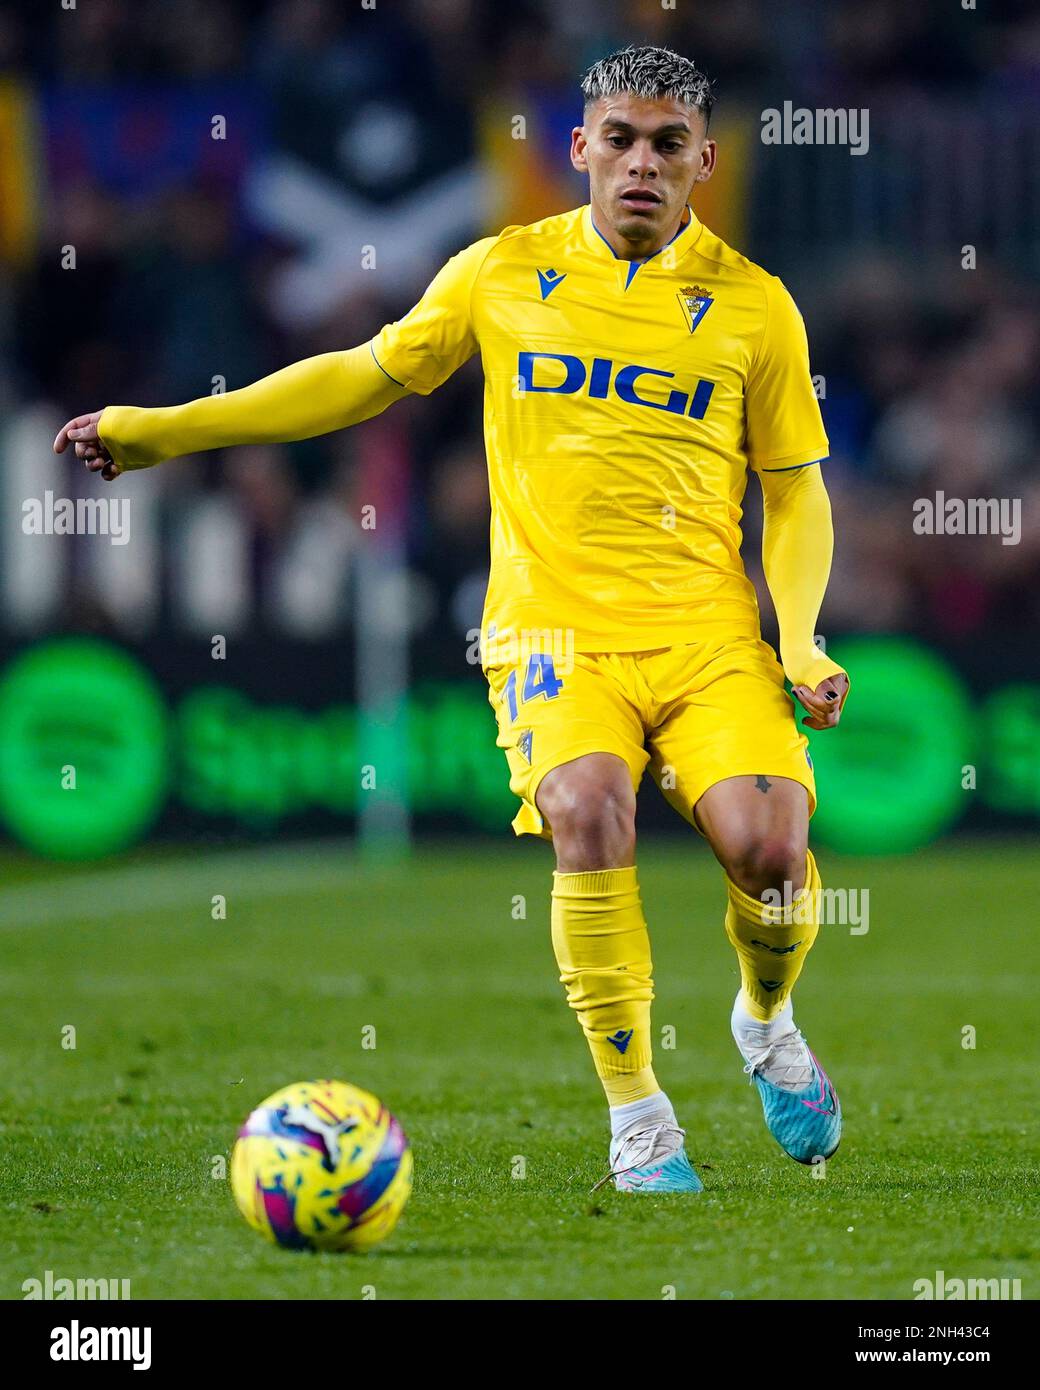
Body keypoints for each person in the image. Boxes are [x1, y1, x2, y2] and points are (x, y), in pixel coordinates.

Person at [55, 45, 849, 1193]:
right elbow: (359, 376)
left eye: (666, 144)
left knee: (771, 857)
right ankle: (640, 1119)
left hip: (707, 630)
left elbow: (793, 487)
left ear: (702, 163)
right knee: (586, 809)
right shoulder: (498, 273)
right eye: (617, 139)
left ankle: (764, 1021)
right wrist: (159, 427)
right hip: (549, 628)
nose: (640, 163)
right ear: (576, 148)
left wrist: (801, 635)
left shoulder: (751, 308)